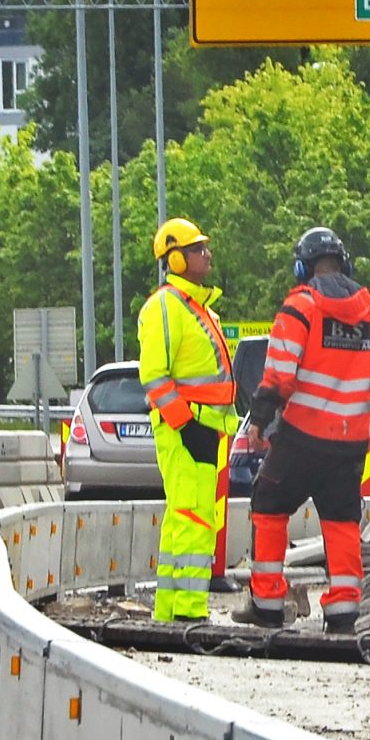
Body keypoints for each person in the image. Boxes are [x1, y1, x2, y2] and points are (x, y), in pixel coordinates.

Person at [244, 226, 370, 633]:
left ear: (302, 267)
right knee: (341, 519)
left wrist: (259, 418)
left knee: (269, 502)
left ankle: (268, 603)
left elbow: (278, 375)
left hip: (302, 435)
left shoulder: (300, 306)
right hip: (350, 440)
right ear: (345, 264)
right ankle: (343, 611)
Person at [135, 217, 237, 622]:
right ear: (175, 259)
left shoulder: (196, 307)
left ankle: (171, 609)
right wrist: (184, 423)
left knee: (186, 516)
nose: (206, 254)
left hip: (203, 428)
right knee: (194, 516)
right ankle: (190, 611)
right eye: (198, 249)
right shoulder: (166, 306)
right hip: (187, 429)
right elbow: (154, 377)